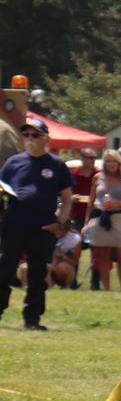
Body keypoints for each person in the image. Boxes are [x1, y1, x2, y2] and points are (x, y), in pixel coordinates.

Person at [0, 117, 74, 330]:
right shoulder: (14, 162)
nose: (29, 139)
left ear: (46, 138)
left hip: (42, 228)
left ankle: (32, 319)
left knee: (37, 273)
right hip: (14, 224)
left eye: (34, 135)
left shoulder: (56, 164)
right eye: (26, 135)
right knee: (5, 268)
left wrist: (60, 224)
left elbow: (67, 198)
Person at [86, 148, 121, 292]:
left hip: (119, 216)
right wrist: (86, 223)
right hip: (99, 216)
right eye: (108, 161)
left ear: (119, 162)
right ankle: (106, 289)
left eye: (114, 161)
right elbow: (91, 201)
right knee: (102, 255)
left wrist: (118, 203)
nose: (111, 164)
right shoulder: (97, 177)